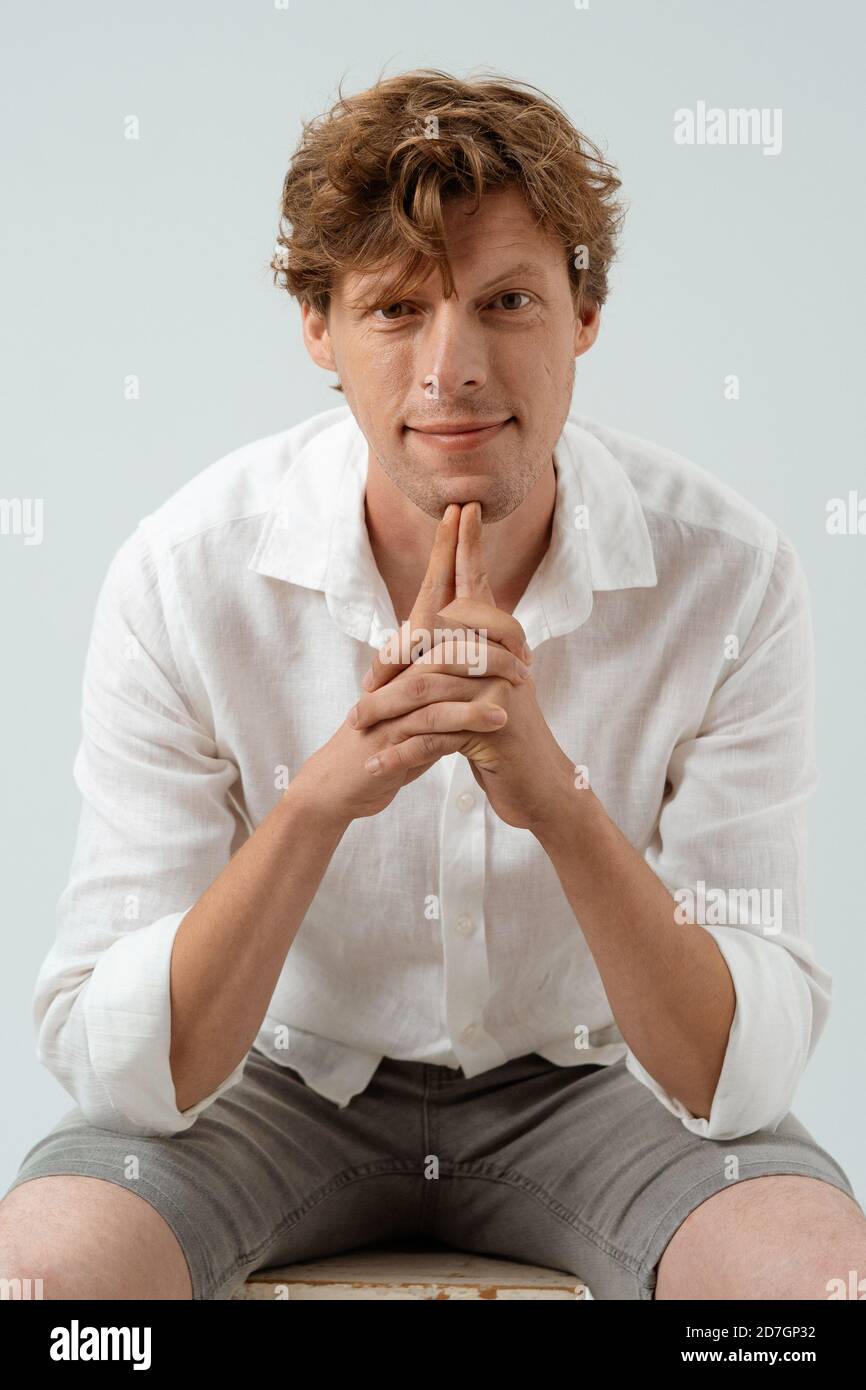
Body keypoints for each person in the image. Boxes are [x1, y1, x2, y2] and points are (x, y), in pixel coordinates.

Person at [2, 69, 863, 1302]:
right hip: (278, 1088)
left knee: (816, 1298)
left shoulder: (727, 576)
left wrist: (556, 798)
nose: (449, 370)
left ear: (584, 311)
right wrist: (320, 801)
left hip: (598, 1091)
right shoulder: (183, 575)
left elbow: (740, 1077)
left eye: (506, 299)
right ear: (320, 329)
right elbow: (123, 1072)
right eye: (395, 309)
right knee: (46, 1298)